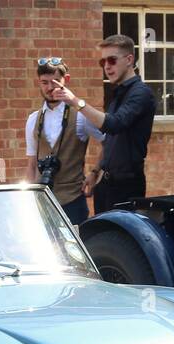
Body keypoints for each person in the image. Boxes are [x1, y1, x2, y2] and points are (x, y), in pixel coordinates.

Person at [51, 33, 155, 213]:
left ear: (129, 59)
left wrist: (75, 101)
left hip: (127, 185)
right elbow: (109, 140)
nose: (107, 66)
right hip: (106, 183)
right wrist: (95, 171)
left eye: (112, 60)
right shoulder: (118, 93)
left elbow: (114, 124)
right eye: (103, 62)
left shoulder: (141, 93)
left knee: (118, 239)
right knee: (101, 234)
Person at [24, 57, 104, 225]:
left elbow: (108, 142)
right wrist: (28, 199)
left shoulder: (81, 116)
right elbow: (31, 165)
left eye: (55, 82)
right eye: (44, 83)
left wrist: (95, 172)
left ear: (65, 80)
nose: (50, 87)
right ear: (38, 83)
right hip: (43, 202)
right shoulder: (33, 119)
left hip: (73, 201)